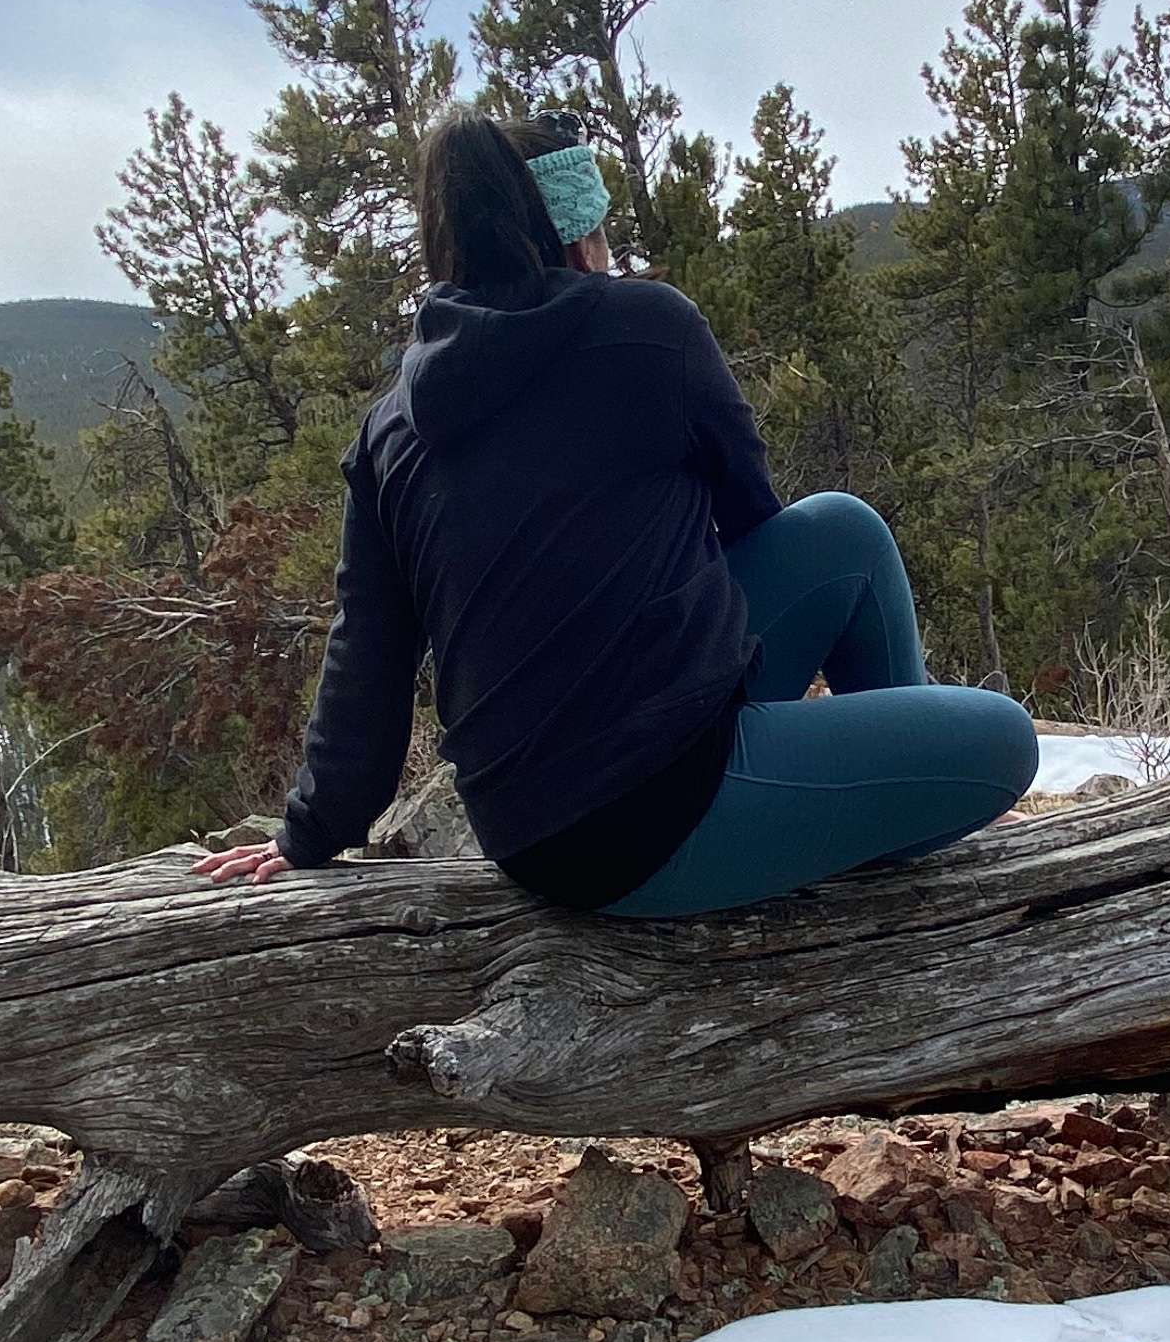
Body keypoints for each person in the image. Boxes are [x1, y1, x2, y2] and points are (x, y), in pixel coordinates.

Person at [193, 110, 1038, 915]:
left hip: (529, 829)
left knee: (842, 532)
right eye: (596, 228)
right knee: (1005, 741)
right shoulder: (650, 330)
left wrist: (311, 832)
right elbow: (748, 514)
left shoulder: (389, 427)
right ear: (564, 232)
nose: (606, 249)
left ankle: (870, 803)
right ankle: (893, 817)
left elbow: (366, 656)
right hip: (652, 820)